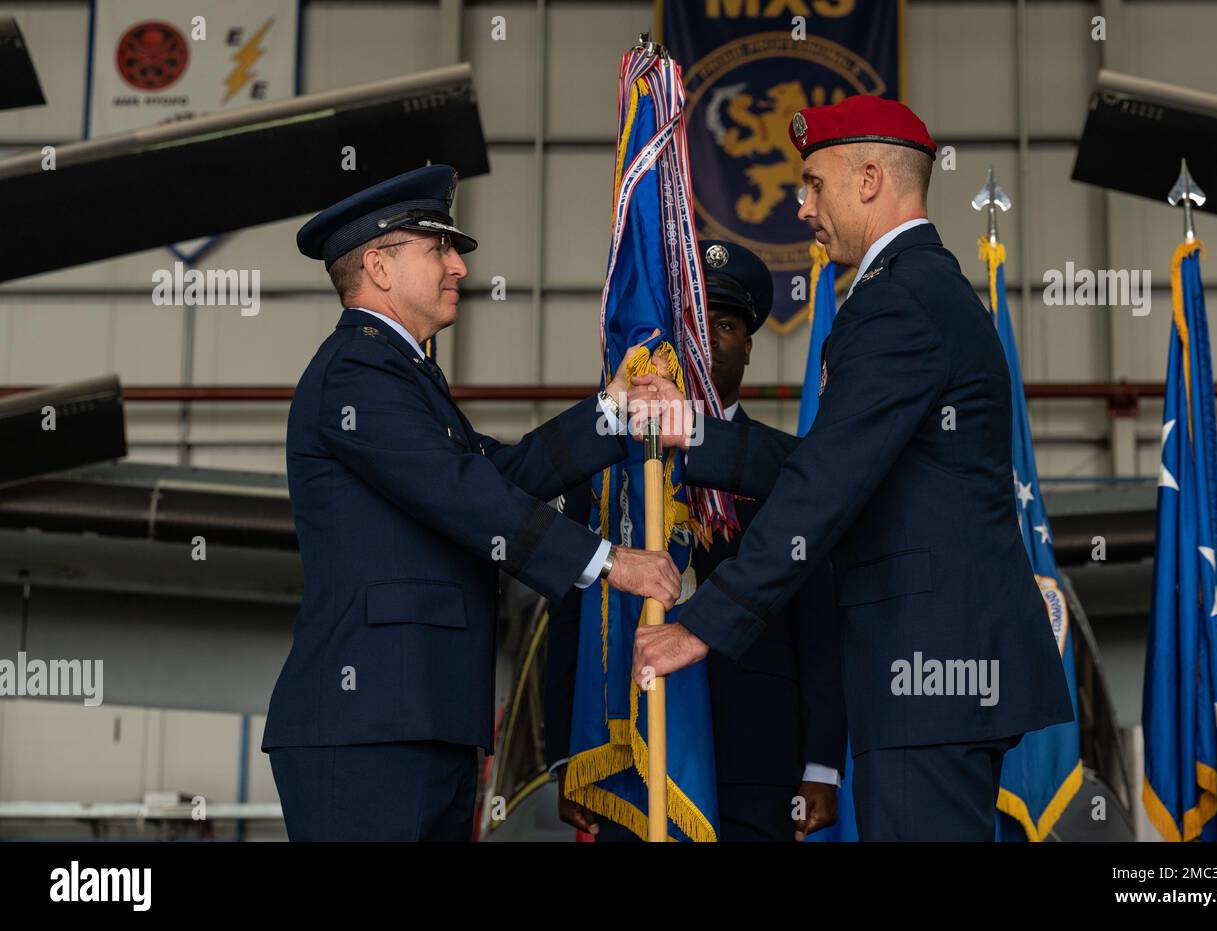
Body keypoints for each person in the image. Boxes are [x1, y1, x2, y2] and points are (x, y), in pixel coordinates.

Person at [629, 97, 1074, 841]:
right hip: (936, 672)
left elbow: (824, 483)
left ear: (869, 179)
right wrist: (692, 432)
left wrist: (702, 624)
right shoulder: (921, 290)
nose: (802, 207)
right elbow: (837, 458)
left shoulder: (898, 300)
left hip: (927, 670)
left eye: (813, 183)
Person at [261, 164, 680, 841]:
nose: (459, 266)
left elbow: (492, 472)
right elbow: (463, 492)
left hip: (419, 718)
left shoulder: (400, 372)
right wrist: (607, 560)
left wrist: (613, 413)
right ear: (379, 266)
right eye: (440, 249)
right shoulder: (356, 371)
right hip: (370, 725)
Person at [545, 240, 847, 842]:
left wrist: (821, 764)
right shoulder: (607, 472)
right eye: (693, 325)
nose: (708, 340)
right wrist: (568, 756)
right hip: (636, 747)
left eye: (726, 325)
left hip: (757, 755)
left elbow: (818, 621)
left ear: (749, 348)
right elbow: (570, 610)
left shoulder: (787, 470)